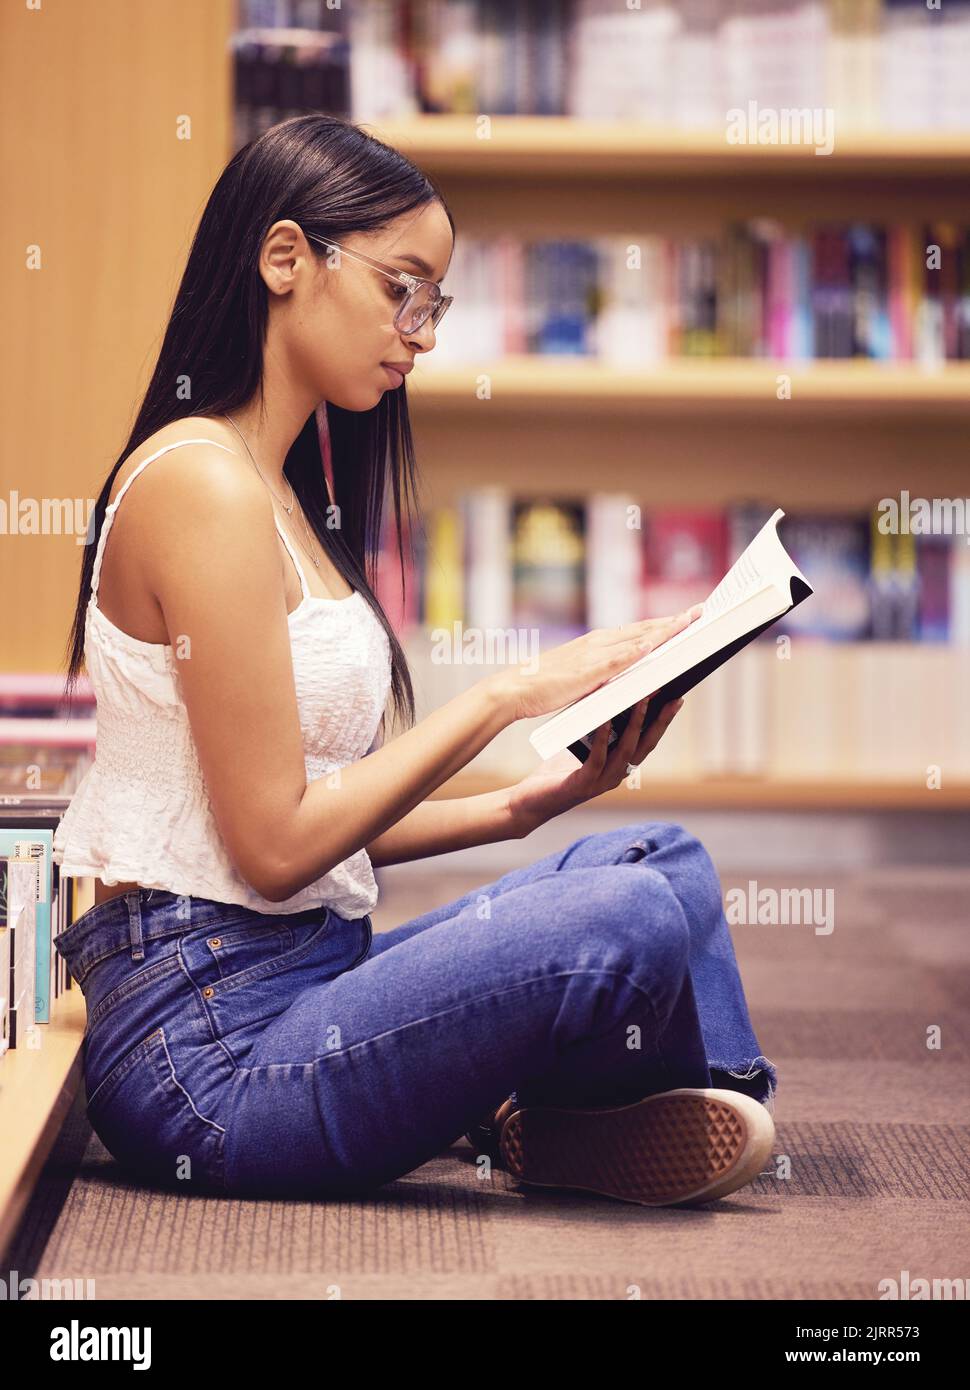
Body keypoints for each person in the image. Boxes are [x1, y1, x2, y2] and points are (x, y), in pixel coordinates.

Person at [54, 114, 776, 1209]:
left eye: (430, 301)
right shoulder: (198, 485)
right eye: (403, 289)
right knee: (621, 922)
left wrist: (528, 805)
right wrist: (502, 698)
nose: (420, 332)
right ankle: (606, 1116)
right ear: (286, 258)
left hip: (310, 972)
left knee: (657, 862)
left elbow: (320, 819)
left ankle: (680, 1112)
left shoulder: (281, 486)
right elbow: (275, 846)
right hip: (206, 1060)